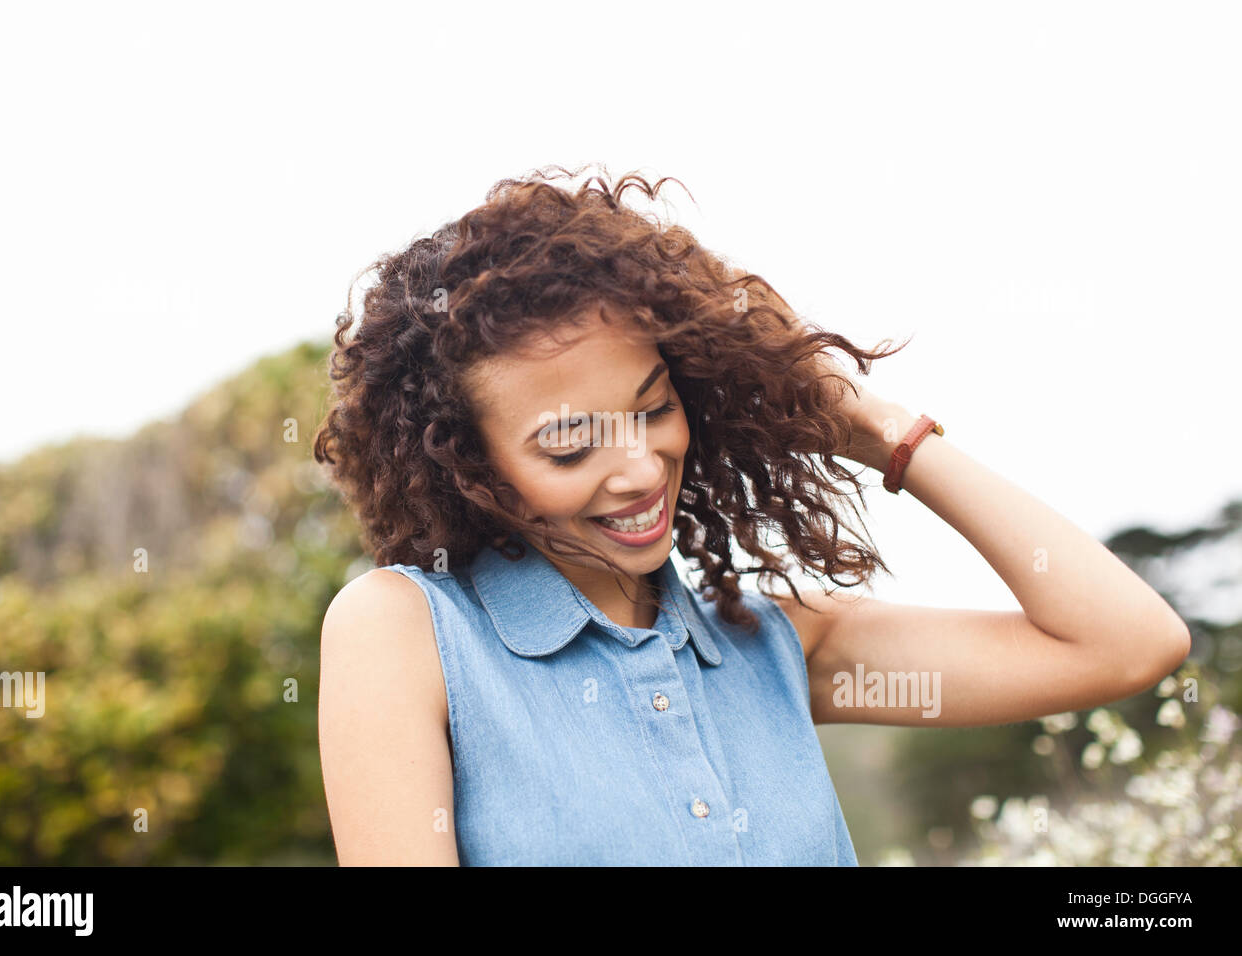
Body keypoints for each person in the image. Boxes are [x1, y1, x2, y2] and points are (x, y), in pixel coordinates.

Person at [312, 165, 1190, 866]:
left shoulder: (772, 645)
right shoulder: (405, 633)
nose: (639, 467)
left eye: (655, 409)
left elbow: (1128, 643)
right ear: (470, 469)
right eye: (571, 447)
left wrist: (883, 432)